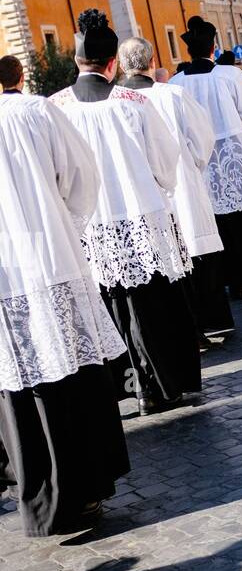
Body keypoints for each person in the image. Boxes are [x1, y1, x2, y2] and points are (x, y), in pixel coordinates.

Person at [0, 55, 129, 535]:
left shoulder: (35, 111)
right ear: (17, 78)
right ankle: (81, 489)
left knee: (19, 385)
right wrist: (66, 225)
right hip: (49, 258)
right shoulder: (35, 112)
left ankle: (37, 500)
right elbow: (80, 175)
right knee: (66, 373)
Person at [50, 10, 201, 416]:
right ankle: (161, 385)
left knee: (109, 303)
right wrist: (158, 187)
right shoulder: (134, 102)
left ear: (77, 61)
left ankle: (124, 389)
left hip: (89, 227)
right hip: (140, 218)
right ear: (113, 63)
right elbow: (165, 161)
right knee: (151, 306)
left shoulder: (55, 108)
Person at [118, 37, 234, 348]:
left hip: (143, 198)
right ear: (152, 62)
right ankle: (211, 322)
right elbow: (203, 137)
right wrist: (191, 165)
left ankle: (183, 333)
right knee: (196, 254)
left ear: (121, 65)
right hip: (182, 186)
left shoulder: (114, 103)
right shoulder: (173, 95)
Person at [170, 16, 242, 299]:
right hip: (234, 160)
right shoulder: (230, 76)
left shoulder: (175, 83)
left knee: (212, 223)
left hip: (198, 166)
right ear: (213, 47)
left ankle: (221, 280)